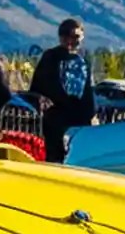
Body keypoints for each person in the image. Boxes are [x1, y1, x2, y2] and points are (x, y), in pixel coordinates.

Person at [30, 18, 96, 162]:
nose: (72, 41)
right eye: (68, 36)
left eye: (77, 37)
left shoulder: (84, 59)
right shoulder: (51, 57)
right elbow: (38, 87)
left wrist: (91, 113)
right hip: (55, 119)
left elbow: (88, 88)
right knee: (55, 158)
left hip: (80, 120)